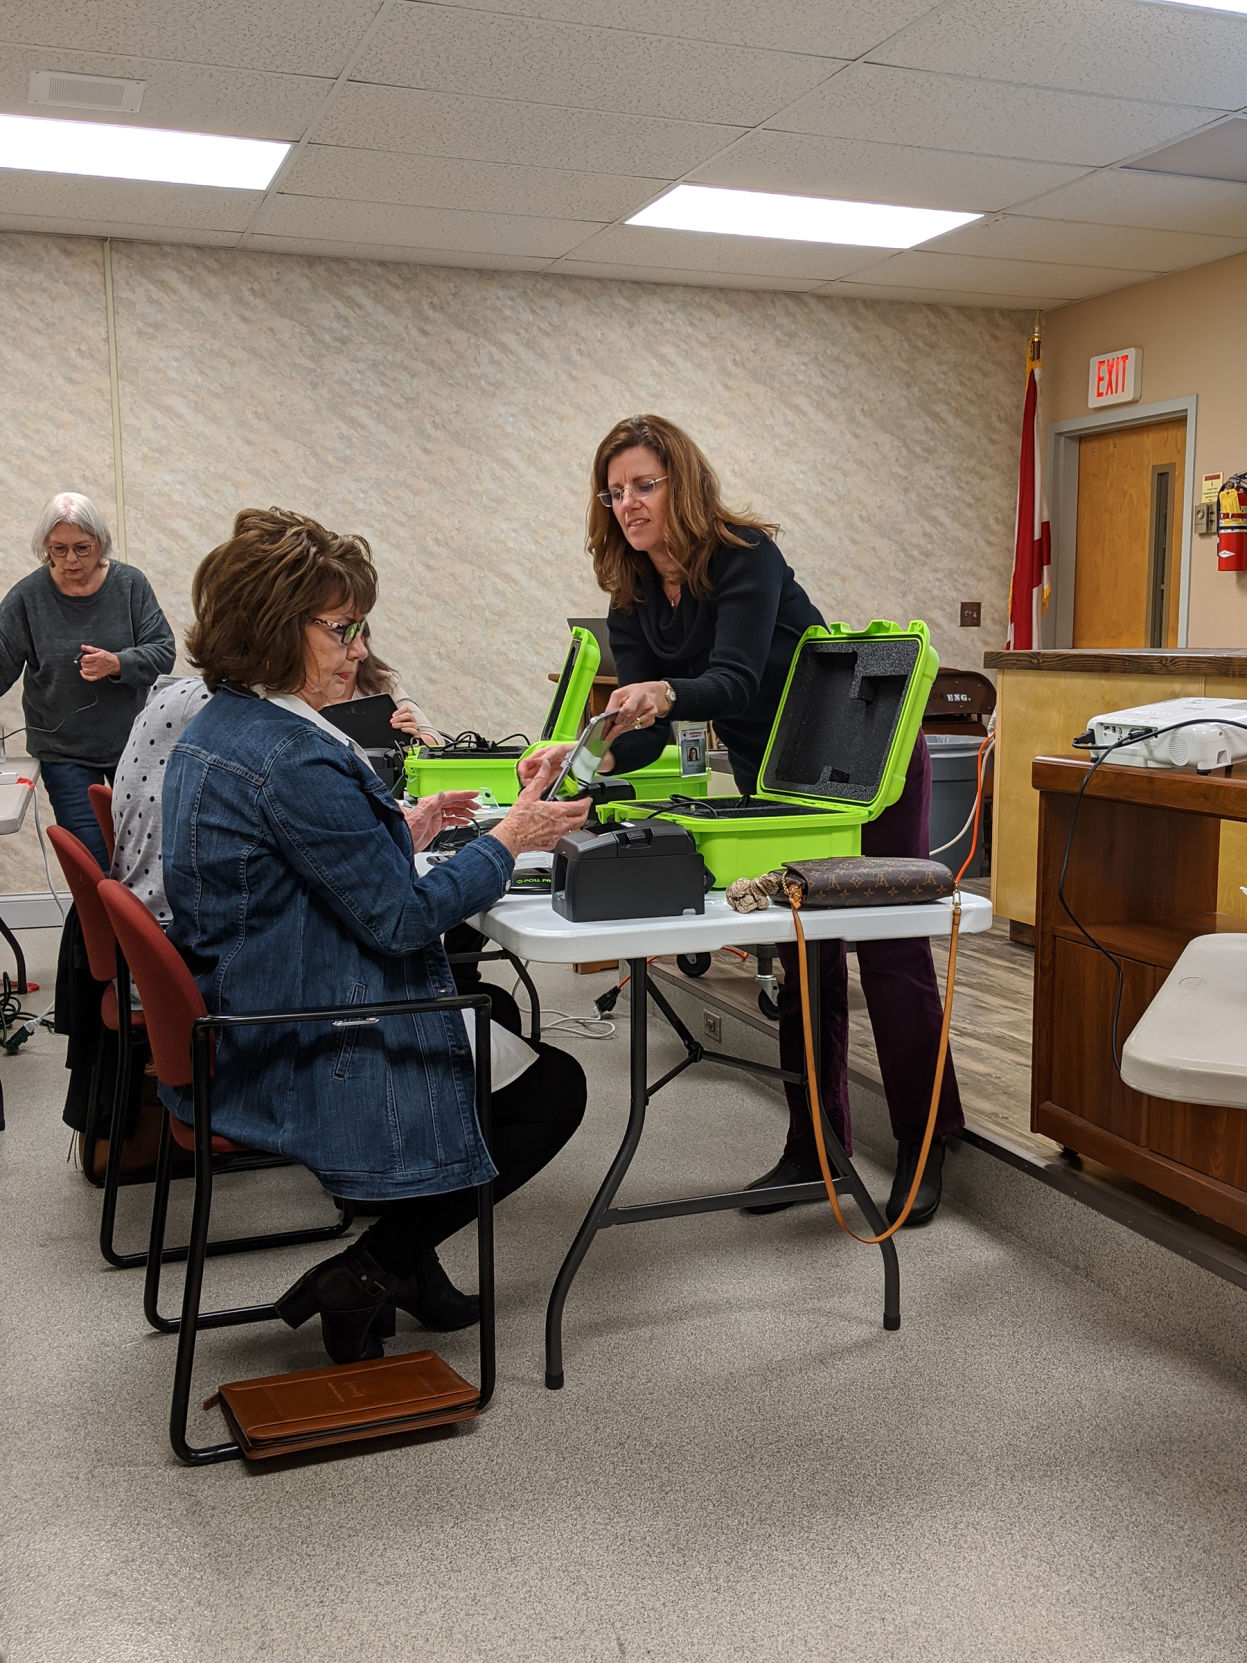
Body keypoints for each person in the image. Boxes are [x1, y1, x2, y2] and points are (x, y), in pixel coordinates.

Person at [161, 507, 590, 1363]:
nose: (358, 648)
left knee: (493, 1008)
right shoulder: (294, 754)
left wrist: (402, 828)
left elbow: (297, 864)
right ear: (273, 624)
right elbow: (398, 920)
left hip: (248, 1004)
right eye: (341, 627)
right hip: (294, 1037)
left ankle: (409, 1269)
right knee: (556, 1089)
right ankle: (368, 1269)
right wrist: (512, 838)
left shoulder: (224, 726)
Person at [531, 414, 962, 1226]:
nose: (628, 503)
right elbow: (653, 734)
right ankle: (813, 1149)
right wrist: (590, 750)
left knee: (890, 949)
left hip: (866, 756)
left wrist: (663, 692)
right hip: (781, 773)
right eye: (614, 491)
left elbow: (729, 681)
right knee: (802, 954)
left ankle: (924, 1141)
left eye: (644, 484)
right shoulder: (629, 594)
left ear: (682, 484)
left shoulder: (744, 556)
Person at [0, 492, 175, 869]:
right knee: (93, 864)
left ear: (101, 542)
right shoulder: (28, 597)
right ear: (45, 547)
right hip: (64, 753)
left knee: (149, 858)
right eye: (58, 550)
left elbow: (163, 652)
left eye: (82, 548)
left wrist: (117, 663)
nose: (71, 560)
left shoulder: (130, 584)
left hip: (133, 745)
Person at [333, 621, 444, 745]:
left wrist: (412, 740)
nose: (357, 652)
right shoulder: (315, 695)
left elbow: (435, 740)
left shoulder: (380, 682)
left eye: (357, 639)